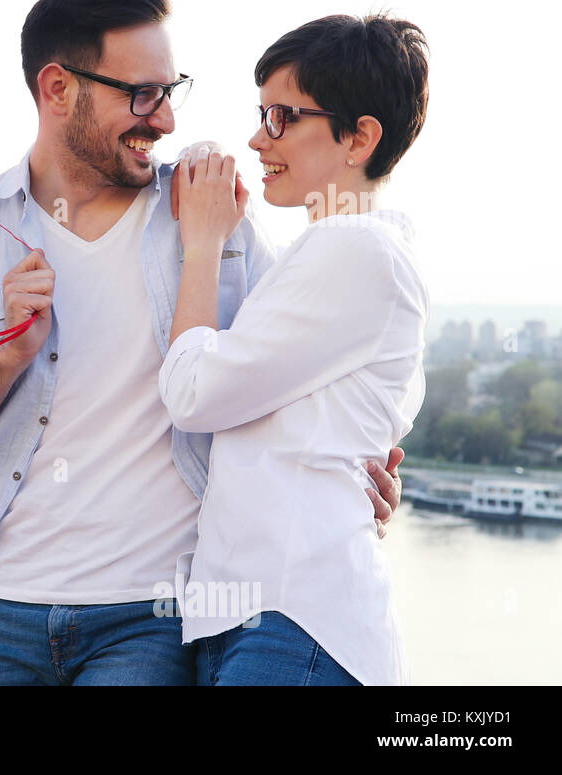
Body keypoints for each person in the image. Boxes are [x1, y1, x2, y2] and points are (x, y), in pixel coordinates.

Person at [0, 0, 404, 686]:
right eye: (143, 95)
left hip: (152, 613)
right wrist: (5, 356)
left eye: (171, 91)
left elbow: (307, 368)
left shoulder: (215, 217)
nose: (168, 119)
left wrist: (363, 470)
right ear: (58, 89)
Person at [163, 13, 430, 685]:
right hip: (267, 615)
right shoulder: (340, 252)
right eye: (260, 114)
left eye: (283, 117)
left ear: (360, 137)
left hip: (296, 617)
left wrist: (202, 244)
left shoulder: (354, 249)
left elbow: (193, 393)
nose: (258, 138)